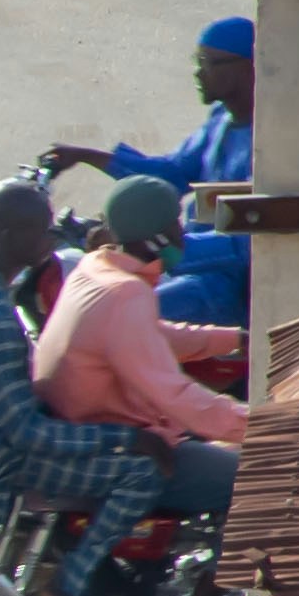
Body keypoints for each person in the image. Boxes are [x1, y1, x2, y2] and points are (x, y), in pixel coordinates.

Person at [0, 174, 175, 596]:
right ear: (10, 236)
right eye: (42, 229)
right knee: (141, 474)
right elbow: (28, 436)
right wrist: (130, 439)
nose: (52, 236)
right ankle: (66, 590)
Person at [34, 176, 250, 506]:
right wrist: (259, 424)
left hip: (85, 426)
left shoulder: (96, 266)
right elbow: (174, 395)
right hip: (121, 442)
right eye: (176, 225)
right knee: (254, 480)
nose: (183, 235)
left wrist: (233, 339)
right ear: (158, 237)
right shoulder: (127, 293)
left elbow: (148, 336)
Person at [52, 15, 258, 329]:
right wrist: (88, 156)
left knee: (119, 313)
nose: (197, 73)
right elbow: (171, 175)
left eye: (207, 62)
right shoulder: (221, 119)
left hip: (222, 287)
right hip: (182, 264)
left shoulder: (269, 142)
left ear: (246, 68)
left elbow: (245, 246)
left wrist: (161, 250)